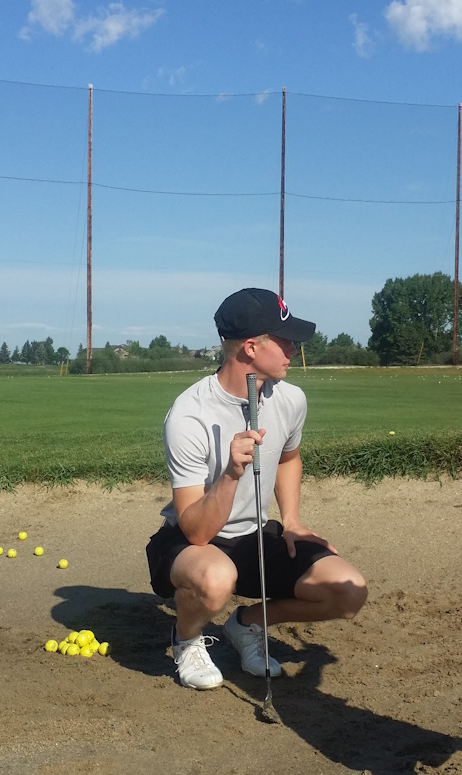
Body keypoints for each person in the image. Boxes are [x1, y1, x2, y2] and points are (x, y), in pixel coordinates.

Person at [146, 288, 368, 690]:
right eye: (285, 340)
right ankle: (187, 639)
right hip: (192, 543)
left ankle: (247, 625)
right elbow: (195, 530)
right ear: (250, 347)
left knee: (348, 592)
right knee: (215, 579)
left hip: (255, 537)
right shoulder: (189, 414)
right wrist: (231, 473)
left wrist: (294, 521)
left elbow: (288, 457)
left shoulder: (290, 399)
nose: (293, 348)